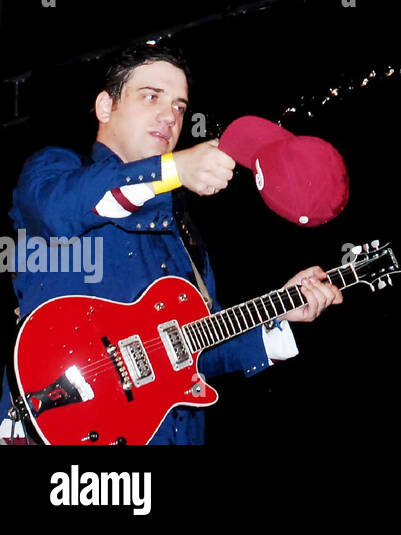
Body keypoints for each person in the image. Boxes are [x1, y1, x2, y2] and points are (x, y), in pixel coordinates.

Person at [0, 43, 341, 445]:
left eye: (180, 107)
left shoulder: (183, 235)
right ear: (106, 107)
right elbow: (59, 210)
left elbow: (194, 353)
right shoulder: (56, 170)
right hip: (58, 426)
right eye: (151, 97)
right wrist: (173, 169)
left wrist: (282, 312)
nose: (170, 117)